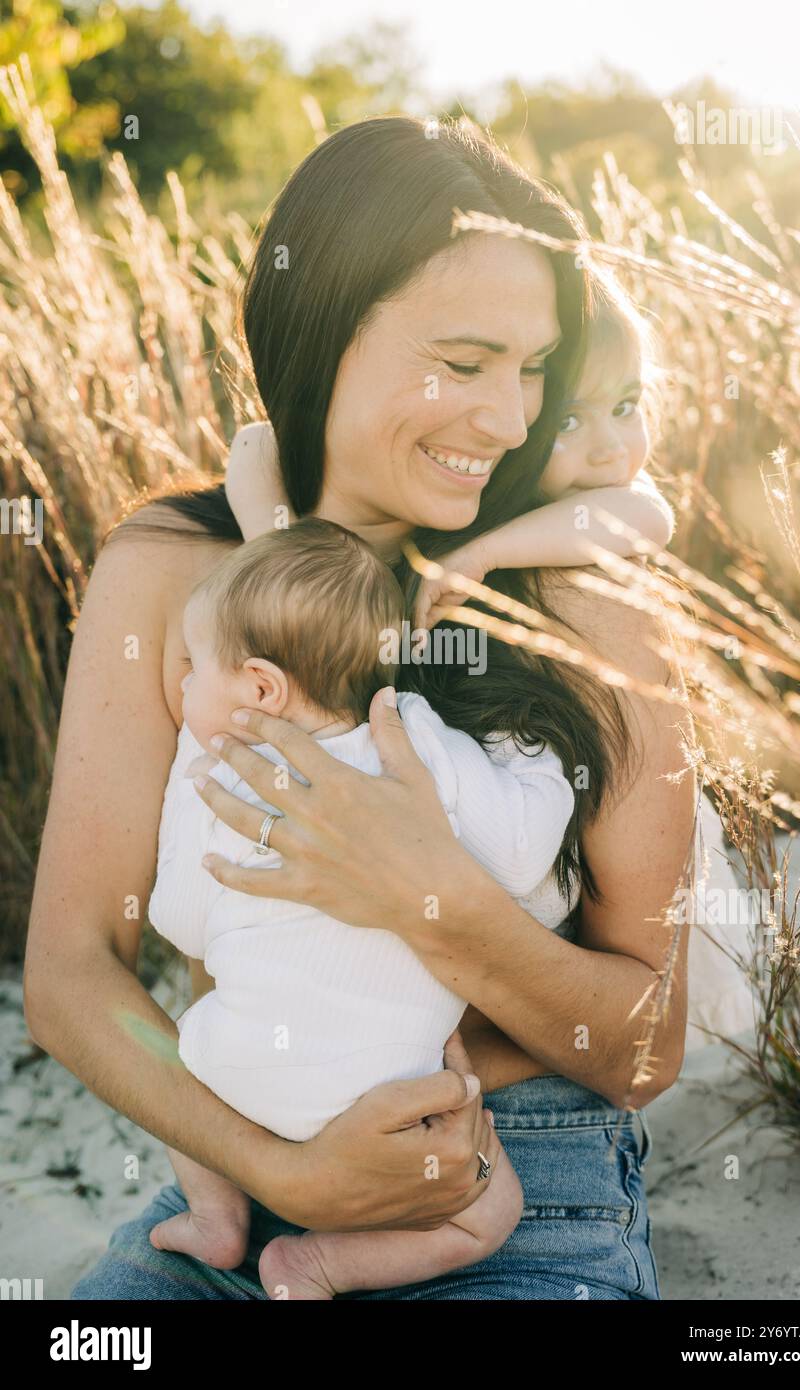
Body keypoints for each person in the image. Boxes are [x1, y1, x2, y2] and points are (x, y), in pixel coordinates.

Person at [26, 115, 697, 1301]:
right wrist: (271, 1165)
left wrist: (425, 895)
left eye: (532, 369)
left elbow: (646, 1044)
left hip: (508, 1183)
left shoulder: (581, 607)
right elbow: (75, 970)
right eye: (465, 359)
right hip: (237, 1184)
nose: (505, 418)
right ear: (324, 324)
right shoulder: (176, 576)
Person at [146, 519, 574, 1299]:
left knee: (178, 1057)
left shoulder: (217, 784)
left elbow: (178, 922)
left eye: (192, 670)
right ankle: (312, 1264)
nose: (179, 690)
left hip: (238, 1081)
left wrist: (187, 765)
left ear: (261, 689)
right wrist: (530, 753)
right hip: (396, 1097)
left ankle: (217, 1217)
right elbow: (519, 855)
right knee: (490, 1211)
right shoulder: (408, 733)